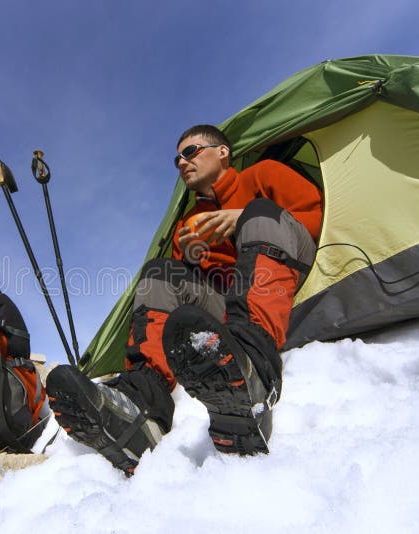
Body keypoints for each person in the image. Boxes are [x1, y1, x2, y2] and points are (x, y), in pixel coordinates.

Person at [46, 125, 323, 473]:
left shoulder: (263, 174)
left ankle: (255, 374)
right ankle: (142, 406)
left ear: (222, 151)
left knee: (261, 212)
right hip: (233, 309)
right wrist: (192, 261)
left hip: (292, 278)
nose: (181, 162)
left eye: (190, 152)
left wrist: (244, 218)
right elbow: (190, 298)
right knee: (161, 272)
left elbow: (316, 221)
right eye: (176, 157)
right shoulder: (189, 221)